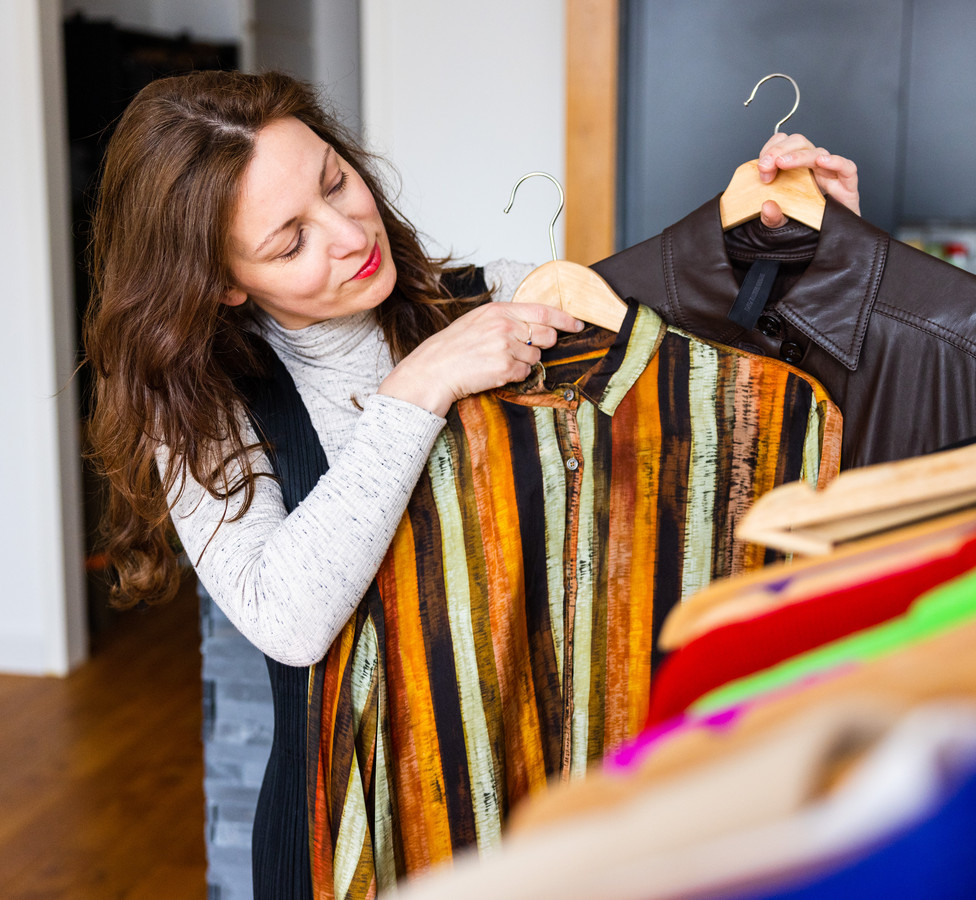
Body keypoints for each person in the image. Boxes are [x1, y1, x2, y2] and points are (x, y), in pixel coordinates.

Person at [82, 69, 861, 895]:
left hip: (515, 788)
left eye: (336, 183)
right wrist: (417, 388)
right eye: (290, 241)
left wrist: (808, 242)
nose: (350, 234)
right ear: (226, 281)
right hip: (348, 832)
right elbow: (289, 620)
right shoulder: (202, 411)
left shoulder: (493, 297)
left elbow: (701, 356)